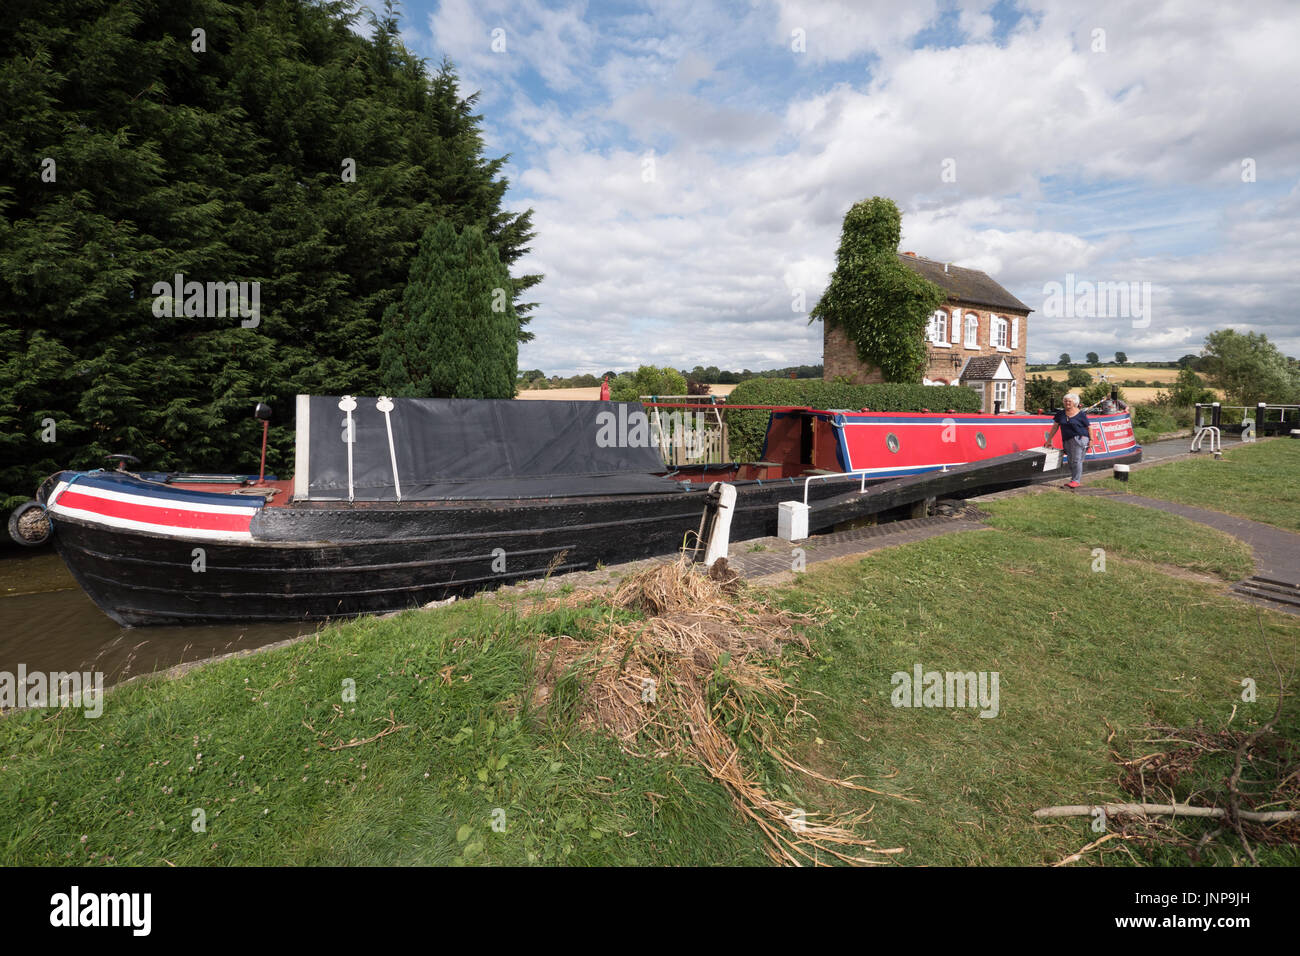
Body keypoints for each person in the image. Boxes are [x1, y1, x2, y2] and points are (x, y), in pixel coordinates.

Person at [1044, 393, 1091, 488]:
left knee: (1076, 460)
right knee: (1070, 461)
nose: (1067, 403)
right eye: (1065, 401)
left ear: (1075, 403)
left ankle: (1075, 481)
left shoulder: (1081, 414)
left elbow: (1089, 427)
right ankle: (1074, 479)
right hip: (1067, 439)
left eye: (1069, 401)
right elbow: (1055, 427)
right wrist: (1049, 440)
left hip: (1080, 438)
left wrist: (1092, 440)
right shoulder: (1060, 414)